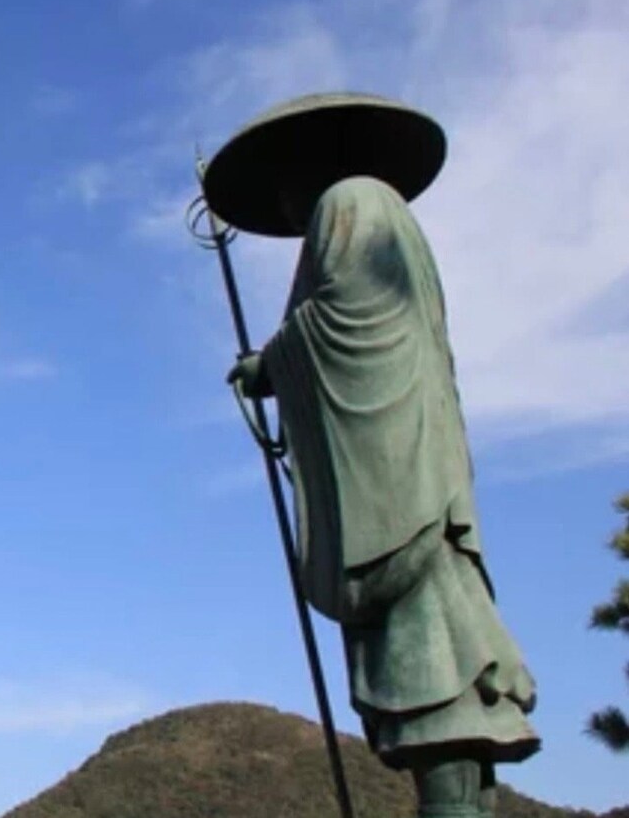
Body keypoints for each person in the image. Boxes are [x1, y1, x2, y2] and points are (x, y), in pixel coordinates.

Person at [209, 94, 540, 818]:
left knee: (439, 692)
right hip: (419, 490)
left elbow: (352, 318)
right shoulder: (367, 211)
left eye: (284, 181)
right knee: (443, 711)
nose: (286, 201)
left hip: (403, 497)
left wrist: (274, 365)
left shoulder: (353, 200)